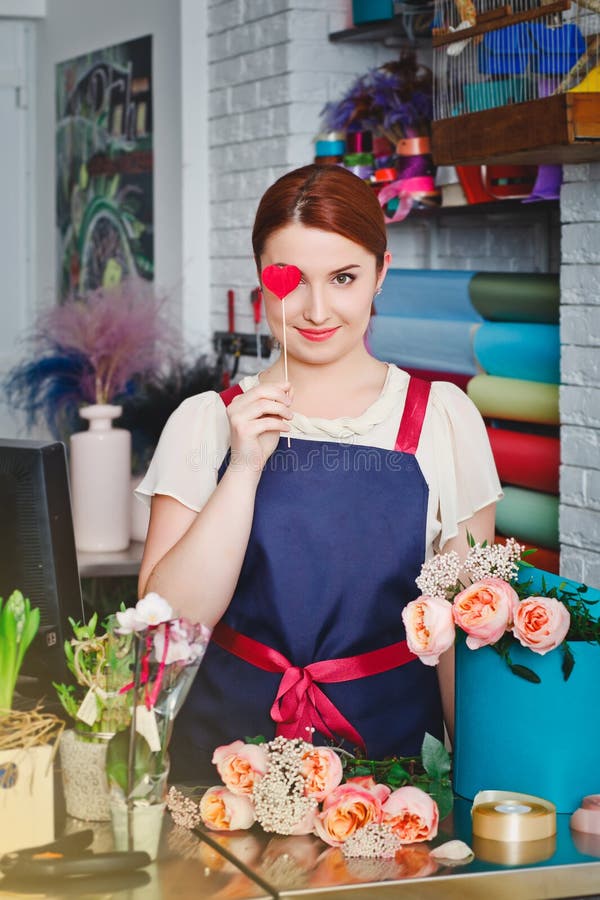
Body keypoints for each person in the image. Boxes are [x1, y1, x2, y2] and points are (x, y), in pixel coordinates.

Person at [136, 164, 502, 782]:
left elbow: (464, 637)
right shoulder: (206, 422)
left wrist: (477, 791)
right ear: (260, 282)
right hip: (225, 770)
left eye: (343, 277)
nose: (316, 309)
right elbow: (167, 628)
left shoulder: (442, 419)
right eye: (290, 281)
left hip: (391, 778)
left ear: (381, 274)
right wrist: (244, 466)